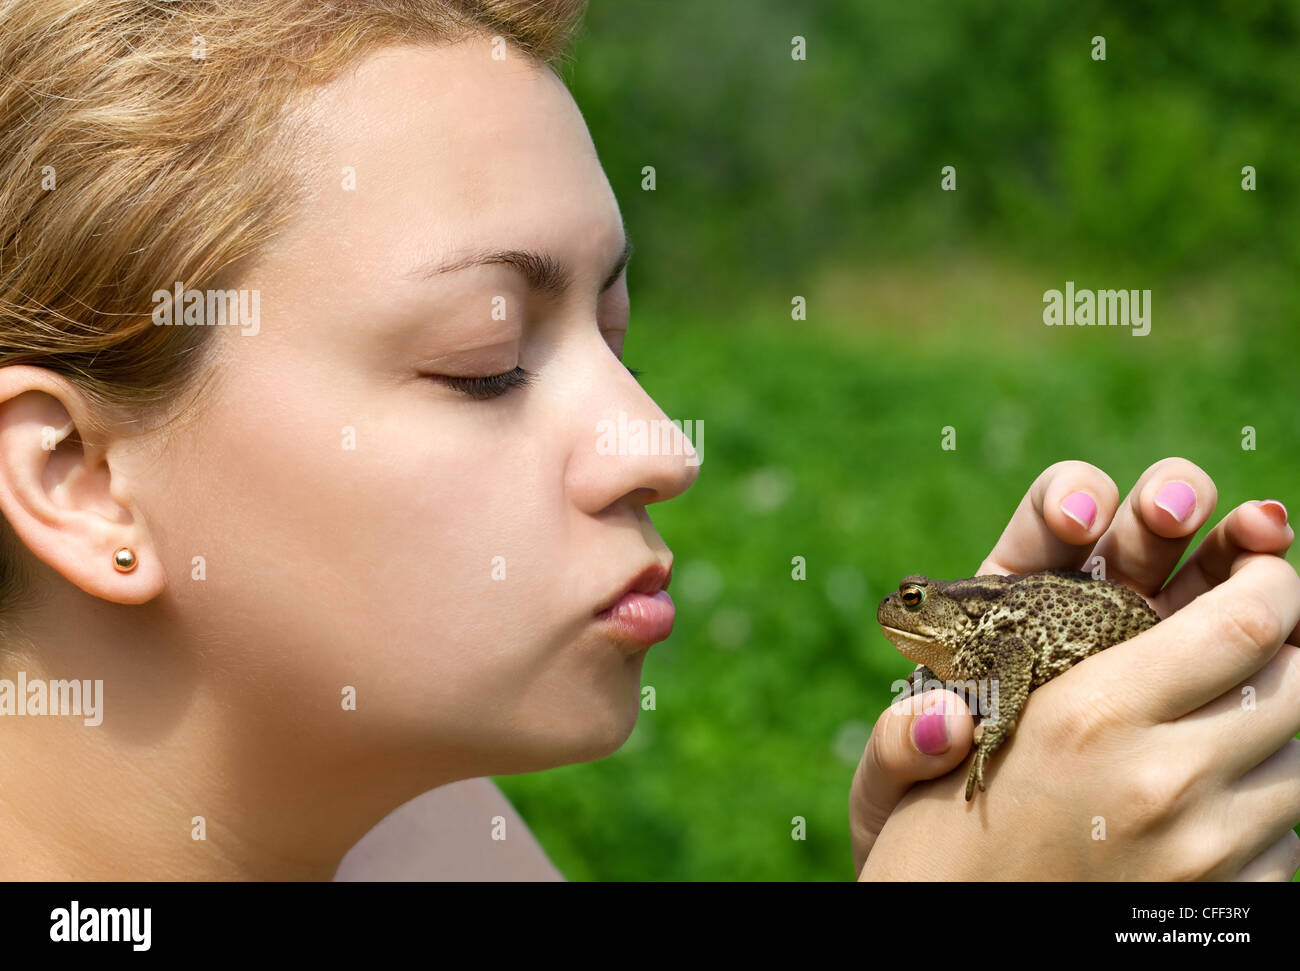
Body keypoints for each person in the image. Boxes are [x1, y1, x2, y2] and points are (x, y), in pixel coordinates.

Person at [0, 0, 1296, 881]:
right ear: (80, 481)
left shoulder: (420, 839)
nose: (661, 446)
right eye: (486, 363)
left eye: (616, 331)